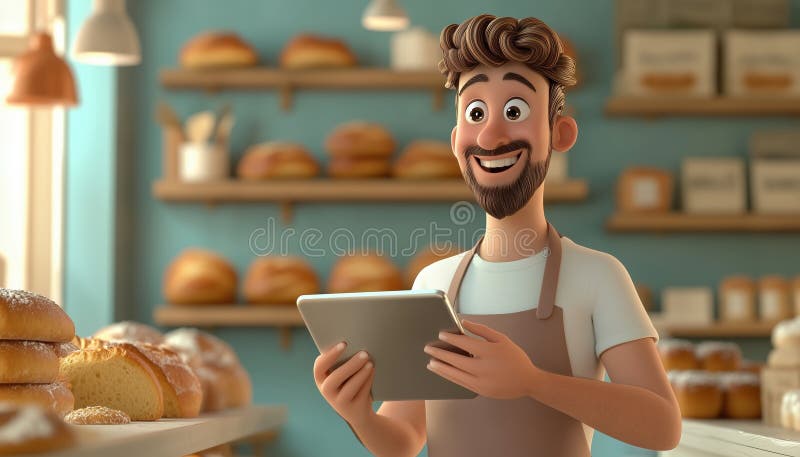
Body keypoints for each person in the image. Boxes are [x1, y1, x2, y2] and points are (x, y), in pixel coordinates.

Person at [313, 14, 681, 457]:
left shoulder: (597, 277)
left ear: (560, 133)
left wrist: (533, 382)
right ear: (456, 141)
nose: (490, 135)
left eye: (515, 111)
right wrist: (359, 415)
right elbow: (405, 439)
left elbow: (663, 427)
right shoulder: (433, 285)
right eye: (475, 113)